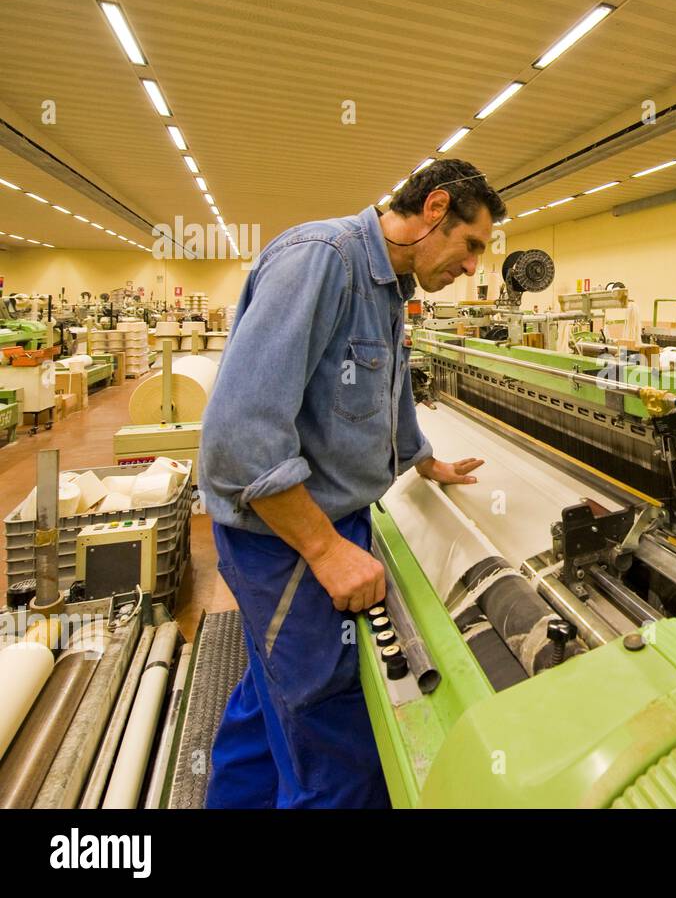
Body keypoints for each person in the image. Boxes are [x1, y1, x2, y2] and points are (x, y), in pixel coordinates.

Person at [199, 159, 505, 808]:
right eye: (471, 244)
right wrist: (325, 549)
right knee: (329, 737)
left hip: (319, 525)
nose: (475, 267)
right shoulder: (323, 260)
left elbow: (385, 396)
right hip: (283, 540)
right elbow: (241, 439)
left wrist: (425, 461)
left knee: (268, 698)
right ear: (434, 208)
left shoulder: (389, 286)